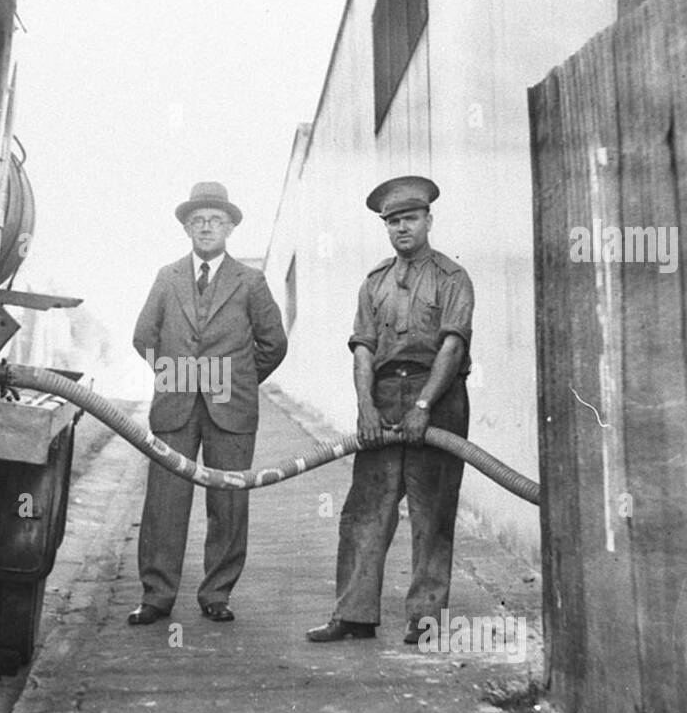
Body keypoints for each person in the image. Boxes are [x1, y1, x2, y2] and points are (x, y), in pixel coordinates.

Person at [306, 176, 474, 644]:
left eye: (411, 219)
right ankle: (354, 615)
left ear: (428, 221)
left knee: (432, 513)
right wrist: (365, 407)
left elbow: (453, 347)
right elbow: (362, 348)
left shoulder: (452, 277)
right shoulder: (374, 281)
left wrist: (424, 405)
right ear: (386, 227)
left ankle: (425, 620)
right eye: (393, 222)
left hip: (438, 400)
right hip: (384, 397)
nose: (403, 228)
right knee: (365, 510)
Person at [129, 182, 288, 625]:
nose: (206, 227)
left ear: (230, 227)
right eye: (197, 220)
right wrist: (174, 376)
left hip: (230, 407)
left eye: (216, 220)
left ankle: (217, 593)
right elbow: (144, 337)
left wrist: (236, 379)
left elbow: (273, 343)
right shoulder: (168, 277)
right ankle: (156, 596)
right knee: (164, 503)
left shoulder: (251, 281)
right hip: (174, 406)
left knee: (229, 504)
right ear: (186, 227)